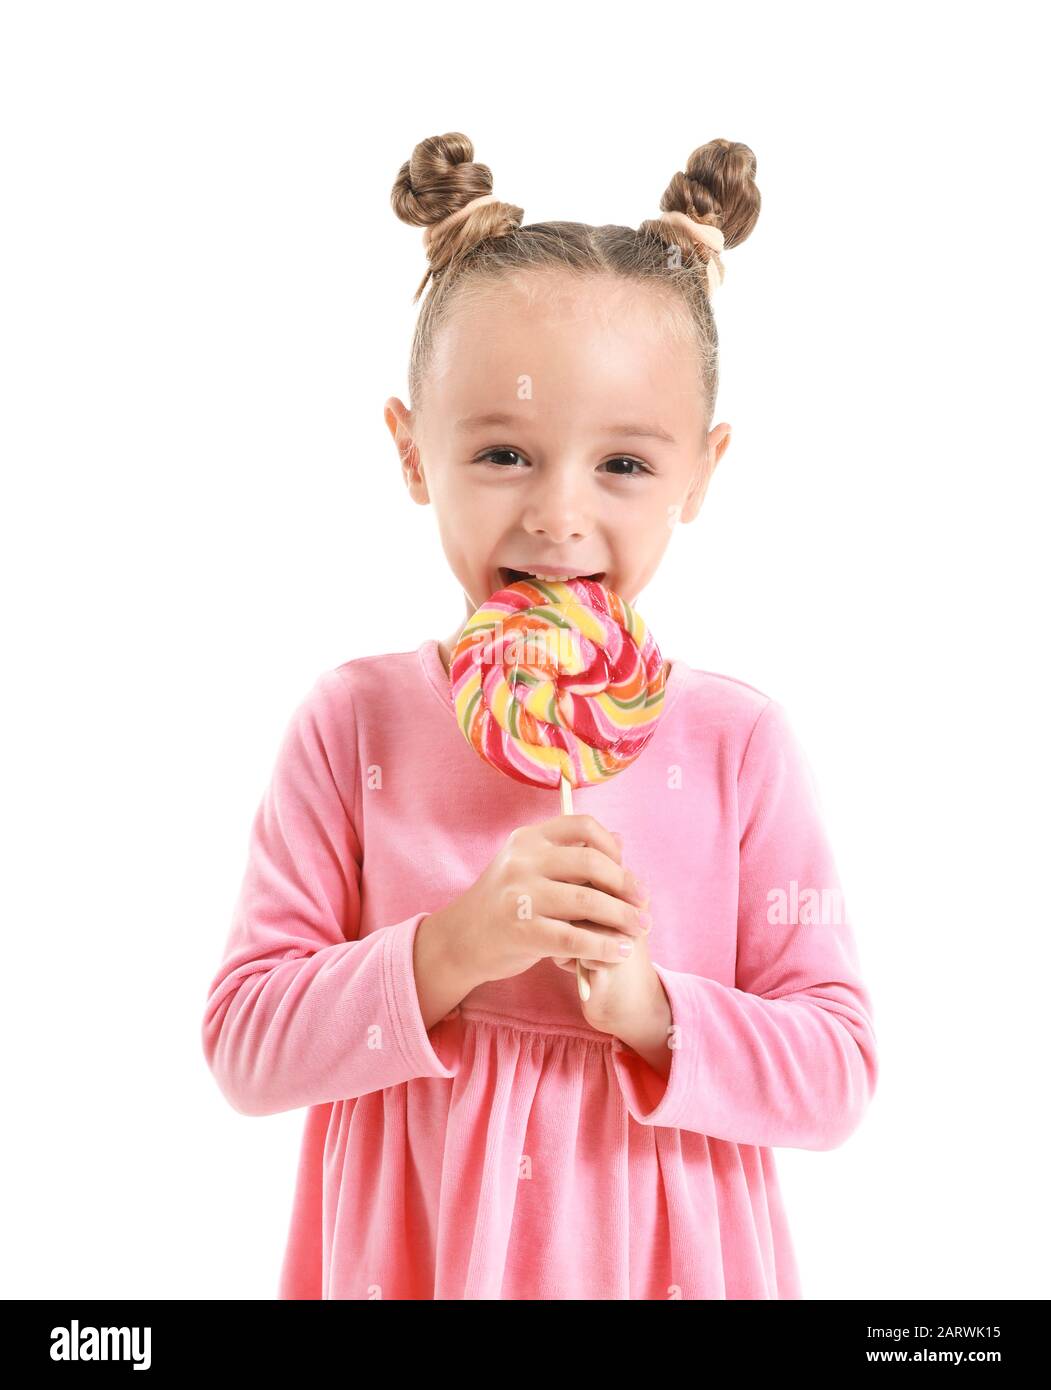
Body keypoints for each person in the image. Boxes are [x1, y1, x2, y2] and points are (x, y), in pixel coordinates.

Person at [201, 132, 879, 1300]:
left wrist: (651, 1009)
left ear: (702, 473)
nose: (559, 516)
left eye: (622, 463)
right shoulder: (353, 724)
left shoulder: (736, 745)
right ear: (414, 453)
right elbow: (248, 1048)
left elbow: (837, 1073)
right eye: (505, 452)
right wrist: (456, 945)